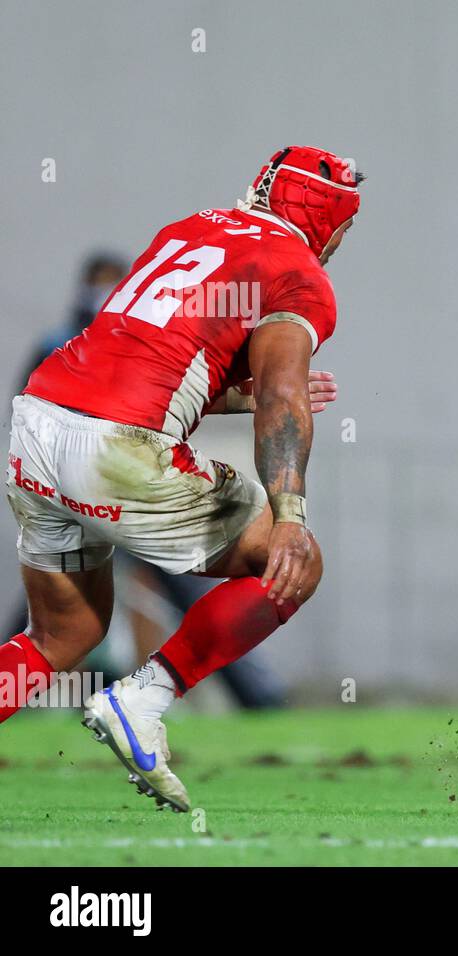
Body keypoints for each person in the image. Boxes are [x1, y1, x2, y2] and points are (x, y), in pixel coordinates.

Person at [0, 146, 360, 813]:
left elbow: (147, 353)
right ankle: (143, 700)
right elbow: (286, 396)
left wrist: (236, 396)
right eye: (343, 227)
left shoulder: (189, 229)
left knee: (61, 637)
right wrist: (290, 514)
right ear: (326, 218)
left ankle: (135, 699)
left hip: (39, 424)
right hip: (117, 448)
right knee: (295, 564)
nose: (339, 243)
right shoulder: (299, 273)